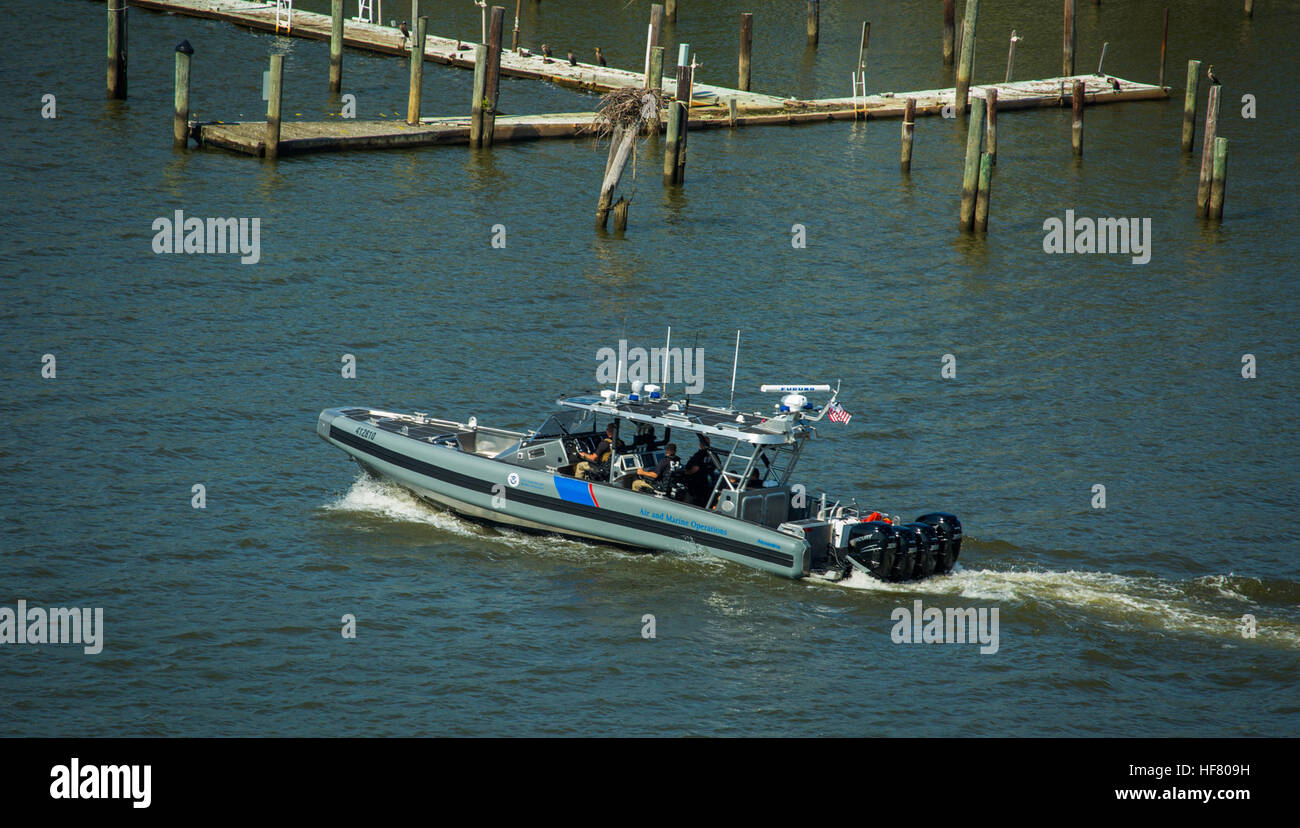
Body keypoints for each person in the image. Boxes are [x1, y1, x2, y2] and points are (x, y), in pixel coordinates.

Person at [683, 435, 717, 507]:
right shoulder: (713, 454)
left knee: (691, 497)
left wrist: (687, 473)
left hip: (697, 481)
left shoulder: (699, 454)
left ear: (701, 444)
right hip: (707, 482)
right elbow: (718, 465)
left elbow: (695, 468)